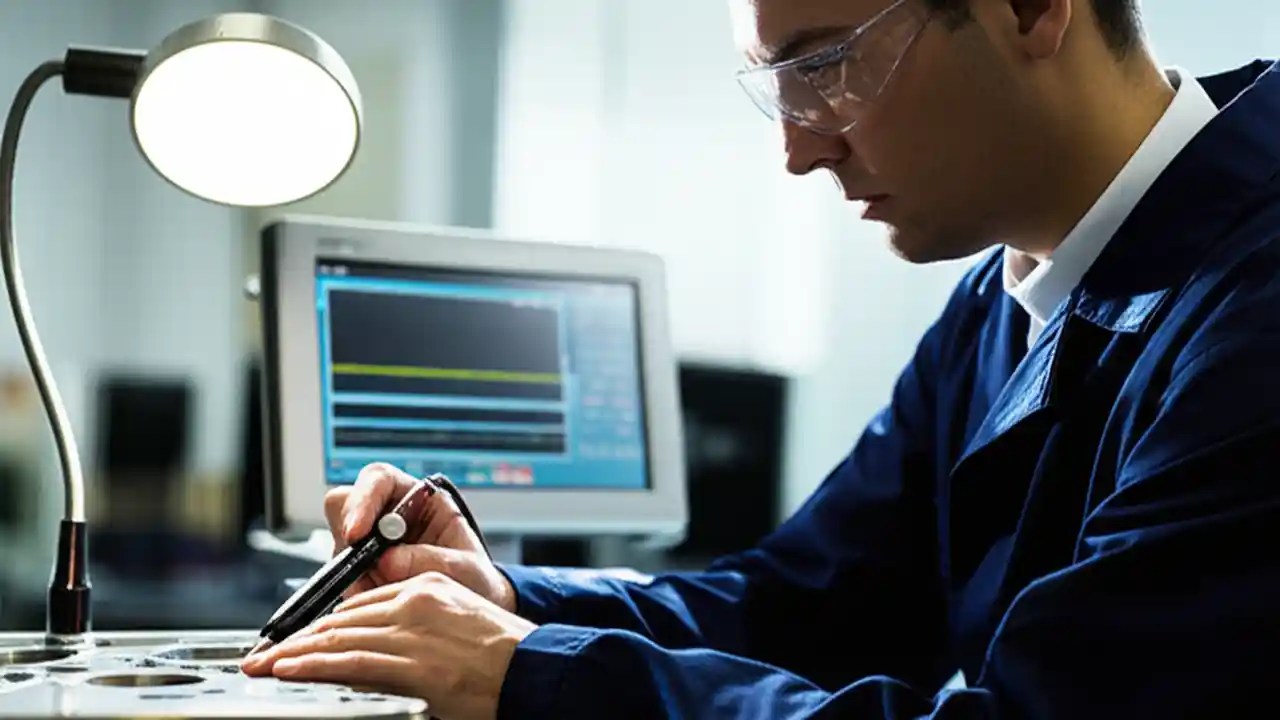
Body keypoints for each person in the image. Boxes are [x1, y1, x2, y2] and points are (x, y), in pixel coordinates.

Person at [243, 0, 1280, 717]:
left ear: (1024, 8)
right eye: (774, 86)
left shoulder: (1257, 302)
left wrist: (533, 677)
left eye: (824, 66)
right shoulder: (1004, 295)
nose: (797, 148)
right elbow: (804, 603)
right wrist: (508, 602)